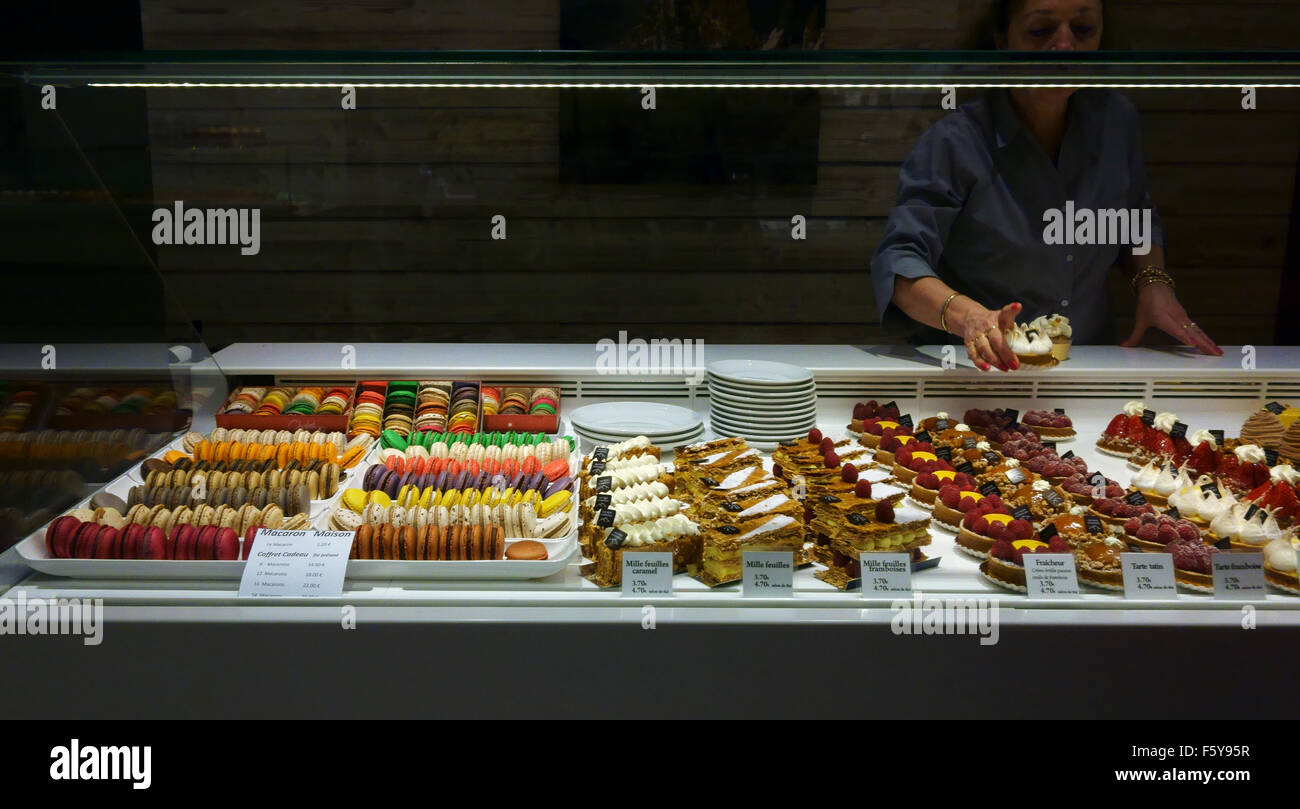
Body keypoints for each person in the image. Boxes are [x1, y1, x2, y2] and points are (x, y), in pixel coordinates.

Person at [870, 0, 1222, 371]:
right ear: (1002, 40)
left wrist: (1153, 285)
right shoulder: (955, 142)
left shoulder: (1117, 121)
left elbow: (1135, 215)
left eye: (1083, 30)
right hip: (979, 371)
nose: (1065, 45)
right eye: (1041, 31)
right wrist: (969, 317)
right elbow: (899, 262)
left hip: (1088, 363)